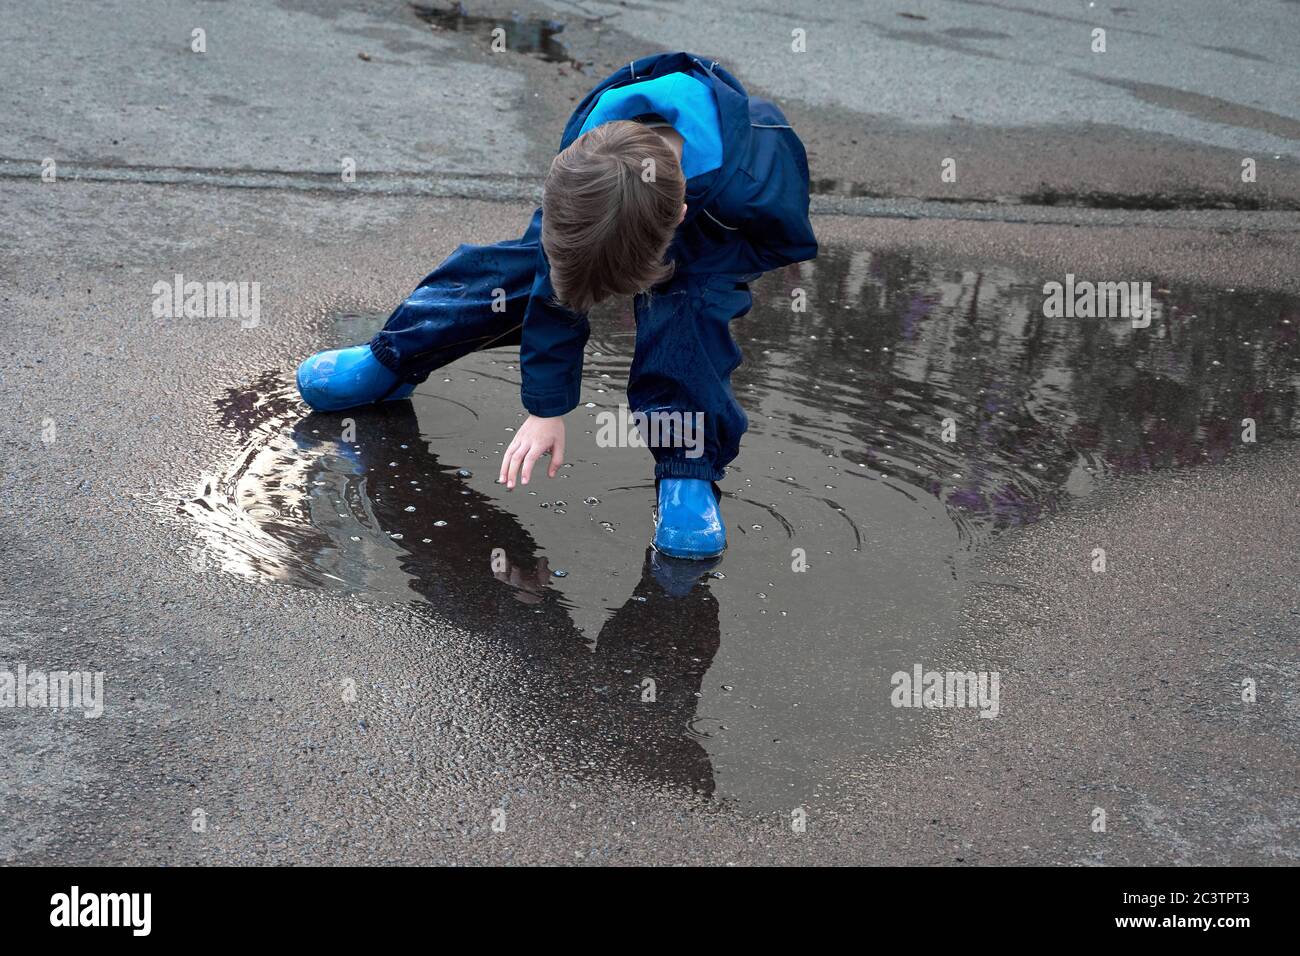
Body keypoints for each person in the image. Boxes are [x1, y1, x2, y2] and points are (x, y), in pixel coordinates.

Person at [296, 52, 816, 558]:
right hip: (614, 203)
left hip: (712, 237)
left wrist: (702, 270)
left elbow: (780, 240)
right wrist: (545, 409)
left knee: (688, 320)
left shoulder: (756, 176)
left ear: (680, 214)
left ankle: (687, 476)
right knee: (513, 278)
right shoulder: (588, 158)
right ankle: (394, 360)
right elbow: (557, 282)